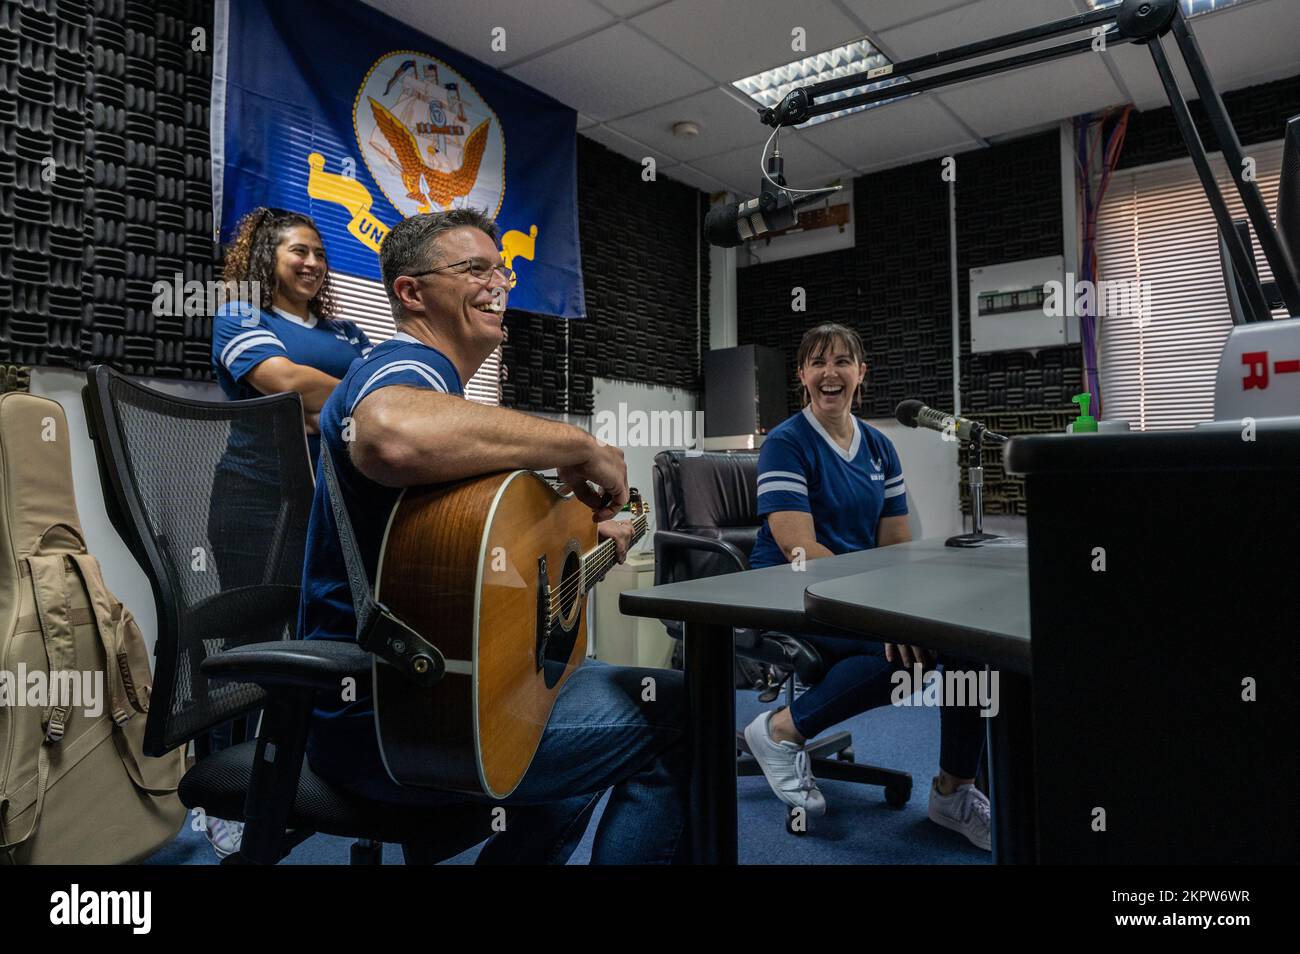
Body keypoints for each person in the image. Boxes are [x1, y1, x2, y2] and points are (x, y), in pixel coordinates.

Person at [300, 208, 688, 864]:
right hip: (393, 717)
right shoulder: (402, 368)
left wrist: (590, 538)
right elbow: (389, 435)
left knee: (605, 710)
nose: (497, 282)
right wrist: (578, 444)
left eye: (501, 268)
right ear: (411, 293)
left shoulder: (450, 404)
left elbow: (478, 552)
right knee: (682, 715)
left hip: (447, 693)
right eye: (474, 268)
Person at [742, 322, 991, 851]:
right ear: (802, 376)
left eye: (842, 362)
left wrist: (904, 603)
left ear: (861, 374)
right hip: (791, 592)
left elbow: (897, 547)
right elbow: (800, 549)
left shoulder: (880, 446)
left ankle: (954, 792)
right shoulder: (786, 443)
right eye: (818, 362)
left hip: (858, 595)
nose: (830, 373)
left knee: (969, 645)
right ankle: (782, 729)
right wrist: (886, 611)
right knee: (902, 654)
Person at [202, 207, 373, 859]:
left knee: (318, 638)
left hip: (331, 507)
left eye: (319, 255)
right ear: (265, 258)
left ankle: (300, 775)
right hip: (254, 502)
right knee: (247, 643)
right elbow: (283, 386)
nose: (311, 263)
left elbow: (372, 405)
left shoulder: (348, 330)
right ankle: (226, 802)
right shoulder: (241, 316)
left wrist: (332, 402)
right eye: (298, 251)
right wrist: (347, 401)